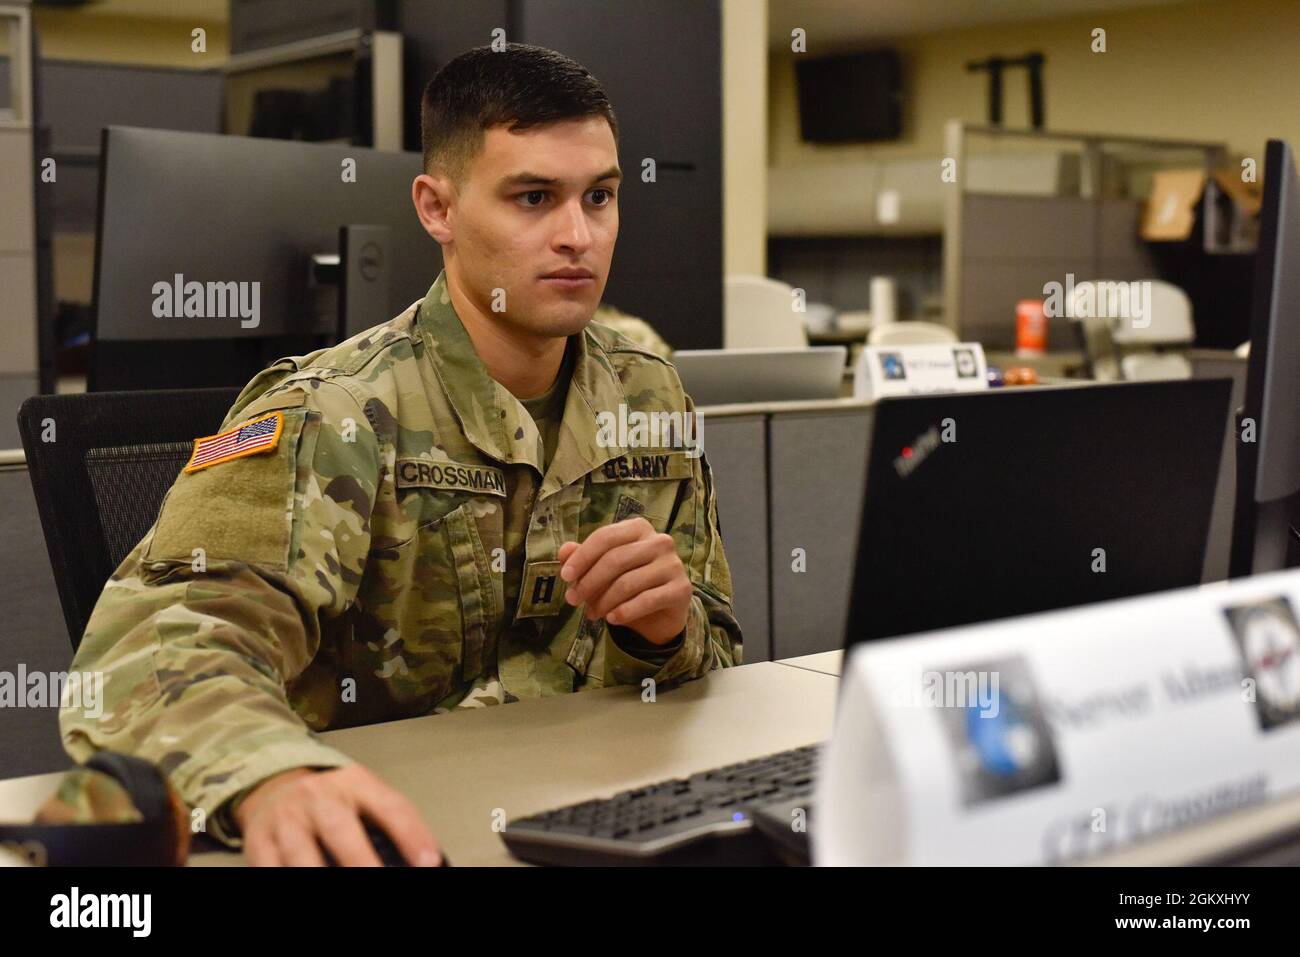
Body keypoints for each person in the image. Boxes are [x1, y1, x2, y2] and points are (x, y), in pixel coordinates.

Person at [59, 43, 742, 867]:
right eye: (534, 197)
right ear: (437, 208)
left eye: (600, 196)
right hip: (383, 836)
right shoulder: (333, 413)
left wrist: (667, 631)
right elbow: (155, 649)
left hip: (591, 822)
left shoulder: (650, 398)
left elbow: (717, 651)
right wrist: (270, 775)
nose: (577, 235)